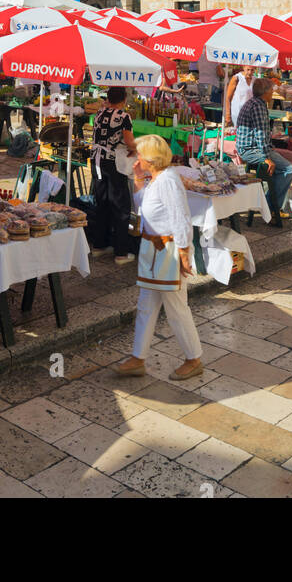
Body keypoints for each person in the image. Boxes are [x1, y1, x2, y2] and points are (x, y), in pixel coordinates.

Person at [114, 133, 203, 382]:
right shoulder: (157, 179)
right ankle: (138, 358)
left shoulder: (169, 180)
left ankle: (194, 358)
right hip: (152, 250)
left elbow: (181, 217)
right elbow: (144, 206)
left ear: (151, 159)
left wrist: (184, 254)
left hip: (169, 251)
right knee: (146, 305)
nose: (137, 158)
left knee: (176, 307)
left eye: (140, 155)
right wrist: (138, 179)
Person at [235, 78, 292, 219]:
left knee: (278, 168)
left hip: (248, 147)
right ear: (266, 92)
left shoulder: (253, 103)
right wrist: (266, 158)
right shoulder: (258, 106)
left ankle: (268, 203)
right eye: (271, 91)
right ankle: (271, 207)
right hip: (250, 150)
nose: (273, 93)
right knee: (288, 169)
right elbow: (261, 136)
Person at [89, 86, 136, 264]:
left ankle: (99, 246)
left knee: (101, 202)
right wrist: (136, 149)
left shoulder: (100, 113)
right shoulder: (124, 116)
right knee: (120, 205)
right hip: (113, 162)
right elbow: (130, 141)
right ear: (124, 100)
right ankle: (121, 252)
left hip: (96, 161)